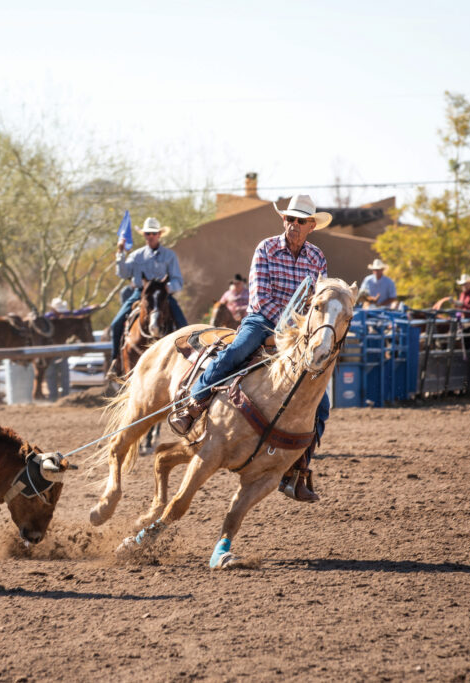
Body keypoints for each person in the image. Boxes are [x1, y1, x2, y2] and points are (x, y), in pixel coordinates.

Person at [169, 194, 332, 502]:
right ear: (283, 220)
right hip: (264, 321)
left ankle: (298, 467)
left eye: (301, 221)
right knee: (238, 350)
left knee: (320, 403)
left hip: (298, 332)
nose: (294, 225)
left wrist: (304, 324)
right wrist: (289, 324)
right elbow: (259, 298)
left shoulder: (317, 257)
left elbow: (317, 299)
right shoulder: (266, 248)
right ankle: (193, 403)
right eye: (290, 219)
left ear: (311, 225)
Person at [108, 217, 187, 375]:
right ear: (144, 236)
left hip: (162, 295)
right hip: (140, 294)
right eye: (147, 234)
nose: (150, 236)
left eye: (153, 233)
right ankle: (115, 361)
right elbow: (123, 273)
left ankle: (187, 360)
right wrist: (120, 253)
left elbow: (178, 281)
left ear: (159, 235)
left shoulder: (169, 256)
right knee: (116, 324)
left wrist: (167, 287)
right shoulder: (136, 256)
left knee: (183, 325)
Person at [43, 297, 71, 401]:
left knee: (61, 374)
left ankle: (62, 397)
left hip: (57, 350)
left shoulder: (52, 319)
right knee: (52, 374)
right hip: (51, 351)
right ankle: (56, 396)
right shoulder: (48, 319)